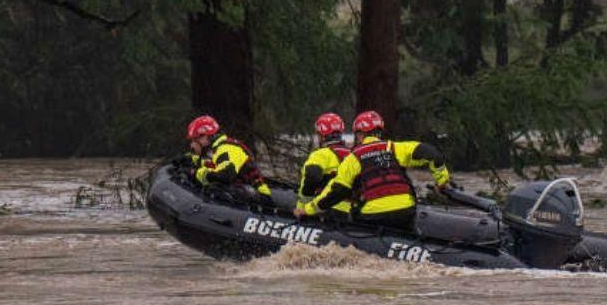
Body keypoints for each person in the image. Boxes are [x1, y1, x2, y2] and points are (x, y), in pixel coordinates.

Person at [295, 110, 450, 230]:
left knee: (357, 217)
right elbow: (432, 153)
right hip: (406, 212)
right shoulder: (394, 148)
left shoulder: (354, 157)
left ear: (360, 134)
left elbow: (338, 191)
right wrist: (442, 181)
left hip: (374, 216)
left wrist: (308, 209)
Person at [186, 115, 272, 198]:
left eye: (196, 139)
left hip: (259, 197)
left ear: (207, 136)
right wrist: (191, 160)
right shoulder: (216, 149)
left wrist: (197, 174)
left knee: (216, 189)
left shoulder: (227, 149)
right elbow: (212, 164)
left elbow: (225, 175)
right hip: (246, 190)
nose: (193, 144)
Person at [297, 112, 353, 222]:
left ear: (321, 135)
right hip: (349, 213)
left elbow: (312, 177)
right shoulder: (352, 155)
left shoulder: (320, 154)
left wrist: (303, 206)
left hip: (325, 210)